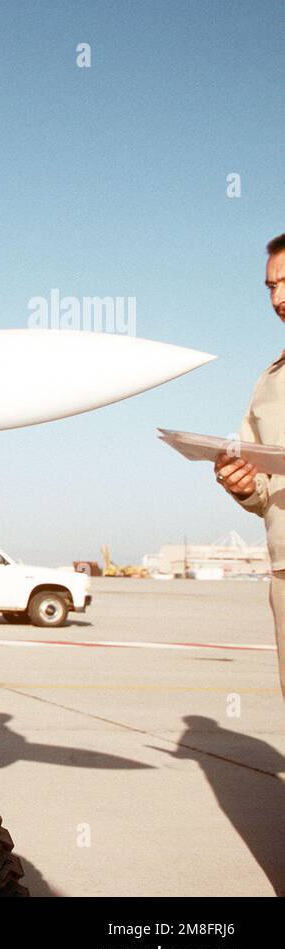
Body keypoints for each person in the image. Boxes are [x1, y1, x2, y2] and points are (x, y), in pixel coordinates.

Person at [214, 231, 285, 700]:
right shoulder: (269, 382)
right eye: (270, 287)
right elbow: (264, 495)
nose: (278, 299)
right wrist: (241, 486)